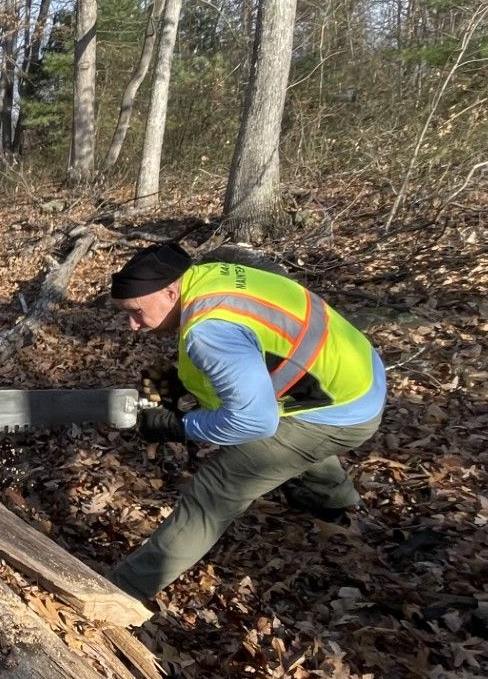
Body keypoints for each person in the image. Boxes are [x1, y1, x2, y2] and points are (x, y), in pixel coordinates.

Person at [106, 243, 387, 598]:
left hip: (344, 410)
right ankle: (333, 497)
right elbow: (245, 353)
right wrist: (183, 383)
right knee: (293, 441)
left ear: (170, 292)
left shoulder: (207, 331)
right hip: (358, 373)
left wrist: (181, 426)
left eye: (136, 312)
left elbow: (254, 422)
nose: (132, 326)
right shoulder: (211, 276)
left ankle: (120, 592)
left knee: (215, 489)